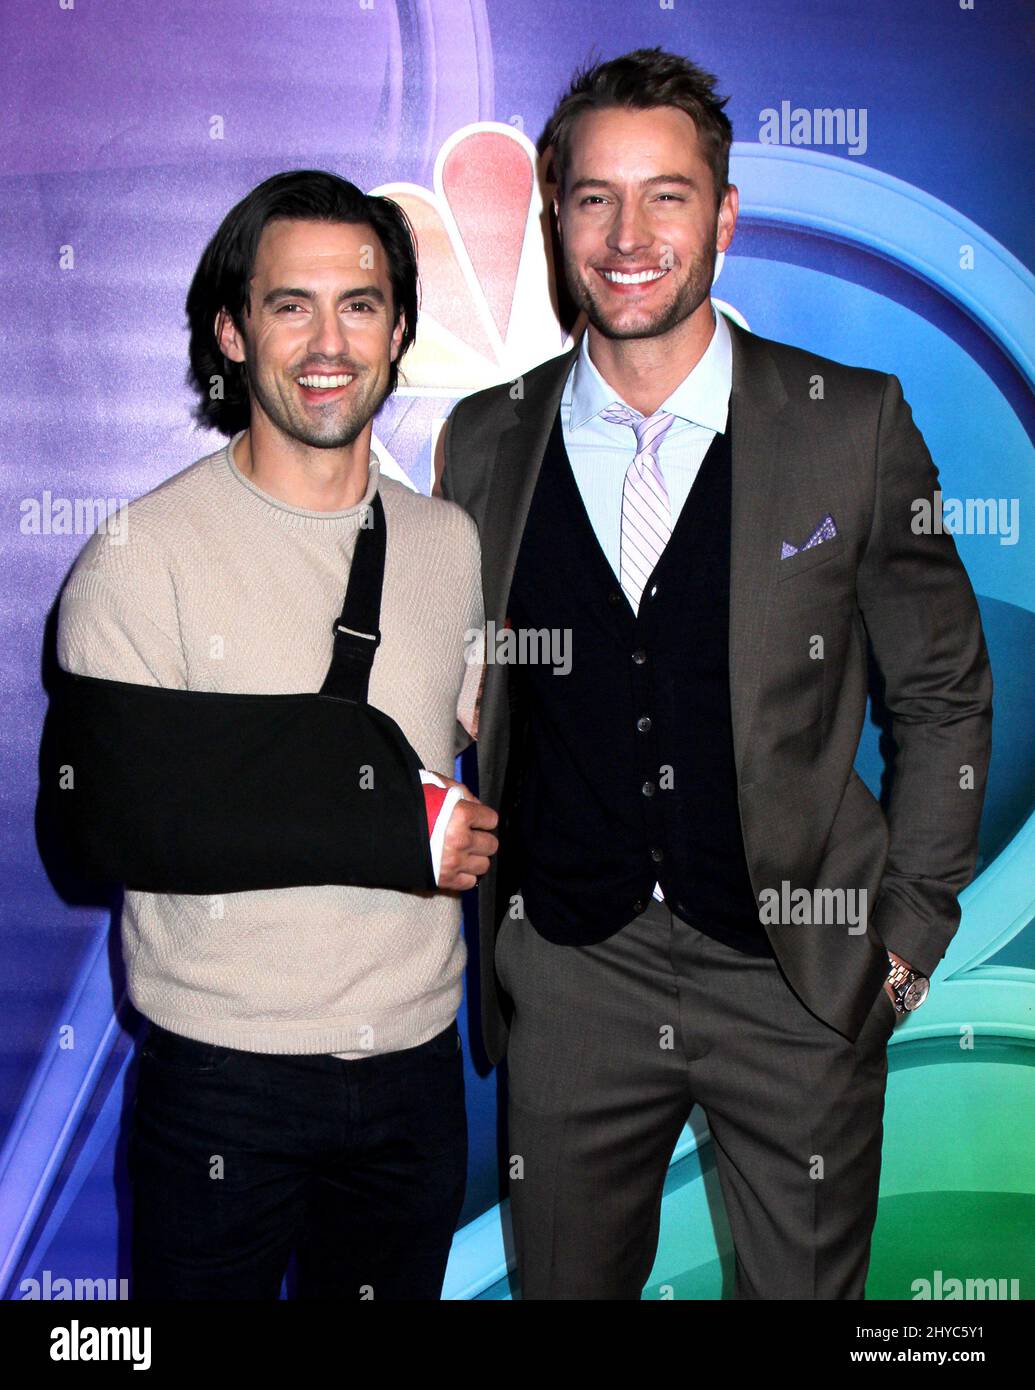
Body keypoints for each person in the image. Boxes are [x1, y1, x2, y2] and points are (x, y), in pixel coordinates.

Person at [439, 48, 992, 1299]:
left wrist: (902, 944)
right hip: (571, 979)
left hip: (797, 976)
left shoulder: (850, 422)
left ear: (725, 216)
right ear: (555, 217)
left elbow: (945, 694)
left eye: (667, 195)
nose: (628, 235)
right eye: (594, 198)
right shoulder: (484, 437)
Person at [51, 170, 498, 1299]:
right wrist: (386, 821)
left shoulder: (451, 545)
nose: (328, 340)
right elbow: (103, 824)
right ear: (232, 328)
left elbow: (487, 755)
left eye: (360, 303)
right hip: (224, 1083)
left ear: (399, 328)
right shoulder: (137, 553)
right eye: (289, 303)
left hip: (413, 1075)